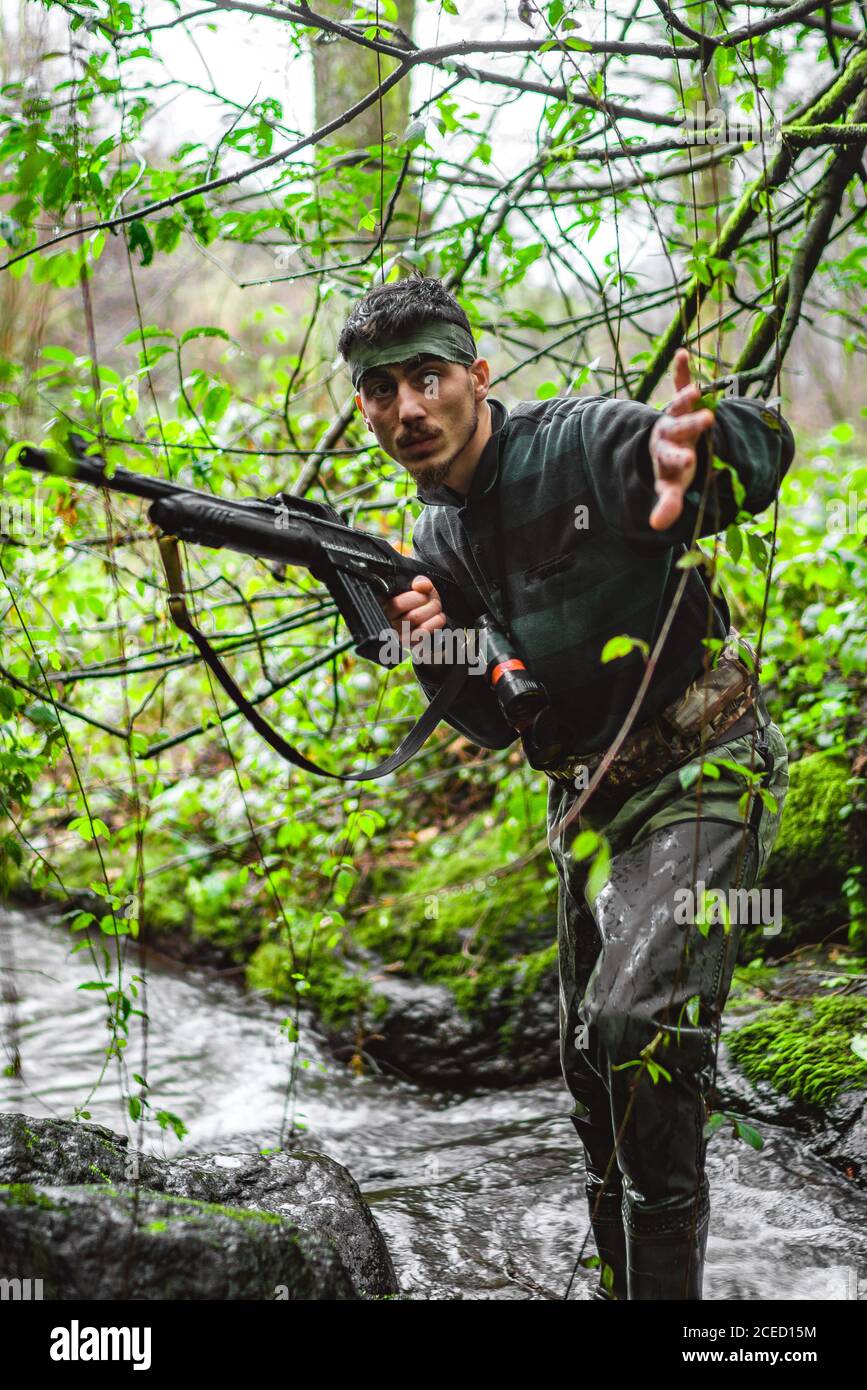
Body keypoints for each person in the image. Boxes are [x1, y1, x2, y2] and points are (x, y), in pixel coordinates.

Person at [337, 274, 793, 1300]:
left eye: (429, 377)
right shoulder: (440, 536)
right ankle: (615, 1282)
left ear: (477, 377)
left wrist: (708, 447)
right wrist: (435, 649)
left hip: (703, 765)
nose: (408, 409)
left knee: (639, 1024)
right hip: (587, 812)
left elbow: (737, 451)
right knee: (589, 1067)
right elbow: (505, 716)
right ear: (362, 406)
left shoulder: (584, 441)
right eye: (380, 390)